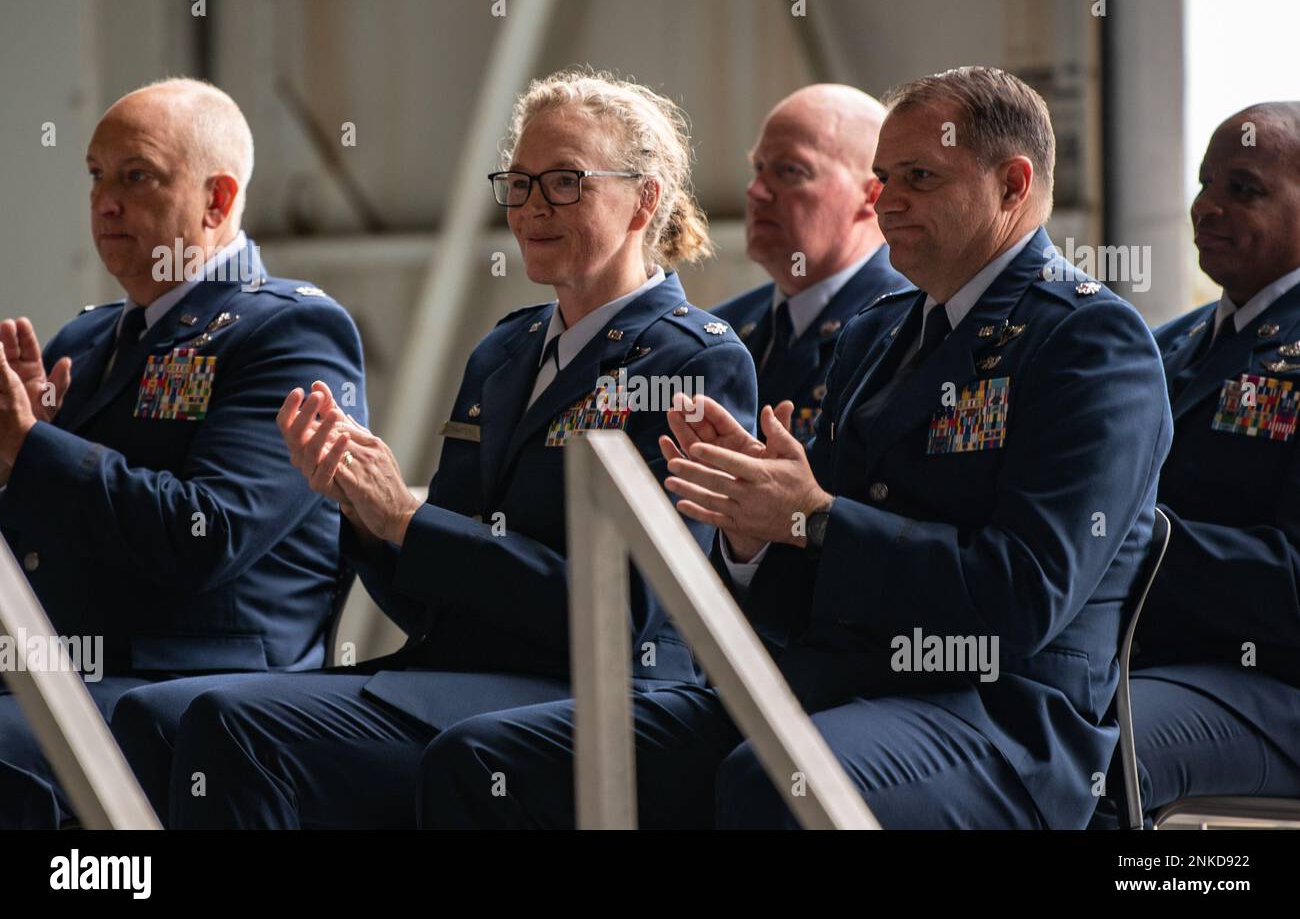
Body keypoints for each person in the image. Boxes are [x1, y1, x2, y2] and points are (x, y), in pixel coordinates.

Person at [420, 67, 1173, 830]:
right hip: (831, 685)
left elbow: (1021, 597)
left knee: (775, 783)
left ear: (1013, 184)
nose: (889, 199)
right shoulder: (879, 333)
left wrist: (812, 518)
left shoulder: (1089, 341)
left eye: (918, 176)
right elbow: (796, 596)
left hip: (997, 717)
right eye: (883, 177)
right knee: (487, 760)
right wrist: (752, 533)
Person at [110, 69, 757, 828]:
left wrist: (407, 522)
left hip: (596, 686)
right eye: (517, 185)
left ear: (644, 199)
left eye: (563, 183)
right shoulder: (505, 350)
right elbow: (438, 590)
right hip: (456, 671)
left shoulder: (690, 360)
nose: (532, 208)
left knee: (231, 722)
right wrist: (364, 512)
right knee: (149, 717)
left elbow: (627, 611)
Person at [0, 77, 366, 828]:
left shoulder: (290, 335)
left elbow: (208, 533)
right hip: (59, 666)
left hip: (191, 686)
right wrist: (12, 467)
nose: (105, 202)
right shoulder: (87, 339)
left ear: (216, 200)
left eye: (137, 176)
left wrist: (34, 450)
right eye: (97, 176)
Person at [1092, 102, 1300, 827]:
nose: (1207, 207)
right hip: (1141, 657)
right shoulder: (1162, 345)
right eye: (1205, 183)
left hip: (1274, 683)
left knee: (1093, 755)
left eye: (1243, 189)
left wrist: (1139, 537)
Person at [711, 85, 910, 442]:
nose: (755, 191)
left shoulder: (908, 330)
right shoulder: (722, 329)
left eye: (790, 170)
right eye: (758, 167)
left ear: (872, 196)